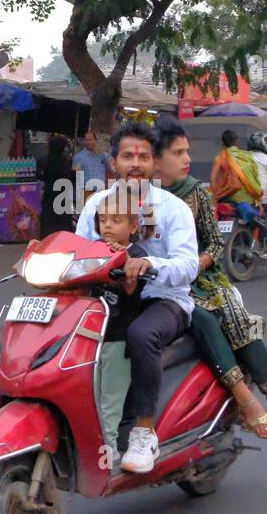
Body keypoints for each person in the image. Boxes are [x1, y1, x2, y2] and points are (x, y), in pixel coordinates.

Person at [155, 118, 267, 438]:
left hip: (201, 276)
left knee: (232, 312)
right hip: (159, 282)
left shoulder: (196, 193)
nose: (187, 159)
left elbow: (216, 242)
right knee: (202, 319)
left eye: (187, 152)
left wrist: (196, 265)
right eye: (178, 153)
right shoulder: (138, 196)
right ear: (156, 159)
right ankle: (241, 394)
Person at [75, 122, 199, 474]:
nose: (136, 163)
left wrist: (149, 264)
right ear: (112, 162)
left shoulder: (174, 209)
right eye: (128, 155)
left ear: (154, 164)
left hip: (164, 299)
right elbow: (79, 251)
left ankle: (144, 432)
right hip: (110, 299)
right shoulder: (96, 205)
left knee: (141, 334)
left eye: (144, 156)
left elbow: (189, 265)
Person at [93, 181, 150, 461]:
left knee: (109, 401)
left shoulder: (137, 256)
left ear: (132, 226)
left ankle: (109, 449)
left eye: (116, 220)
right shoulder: (92, 249)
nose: (108, 226)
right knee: (89, 392)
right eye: (103, 220)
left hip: (119, 337)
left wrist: (121, 257)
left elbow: (130, 289)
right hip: (91, 336)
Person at [39, 134, 76, 234]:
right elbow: (67, 176)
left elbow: (40, 176)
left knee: (49, 220)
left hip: (50, 195)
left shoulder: (45, 160)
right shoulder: (63, 161)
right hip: (62, 196)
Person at [72, 129, 111, 197]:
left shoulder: (103, 155)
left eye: (90, 140)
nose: (88, 142)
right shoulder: (79, 157)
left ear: (95, 141)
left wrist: (103, 154)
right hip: (86, 191)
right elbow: (75, 176)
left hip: (100, 192)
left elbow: (112, 168)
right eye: (86, 140)